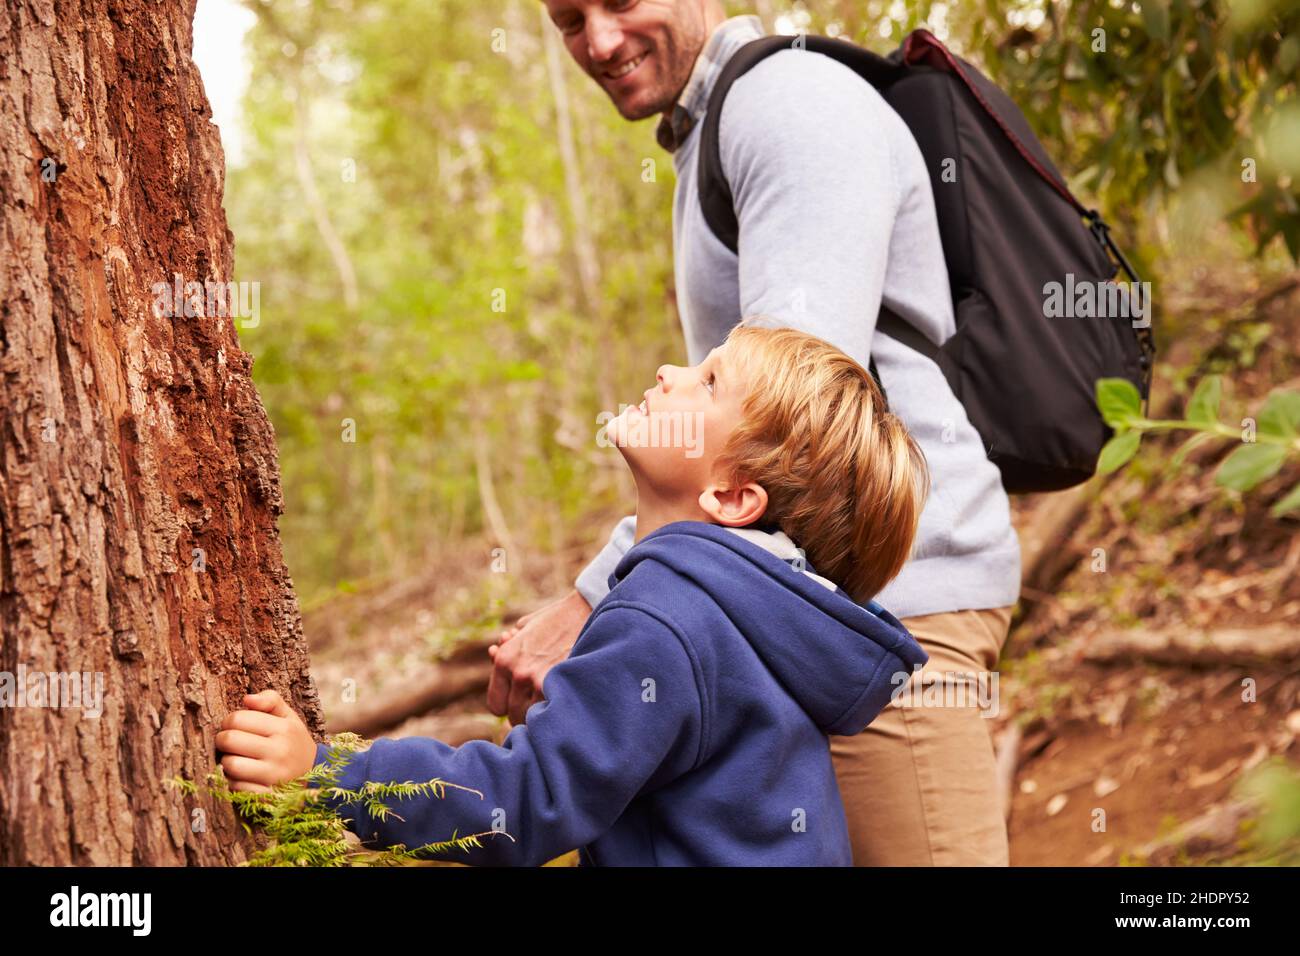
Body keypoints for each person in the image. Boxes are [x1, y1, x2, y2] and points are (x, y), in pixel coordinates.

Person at [494, 1, 1023, 865]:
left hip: (898, 612)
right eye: (568, 18)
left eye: (622, 1)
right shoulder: (714, 129)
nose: (598, 40)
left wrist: (594, 596)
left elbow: (792, 422)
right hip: (818, 616)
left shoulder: (790, 103)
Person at [216, 324, 930, 865]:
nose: (669, 371)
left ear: (734, 496)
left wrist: (328, 773)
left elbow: (524, 802)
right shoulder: (750, 616)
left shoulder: (671, 615)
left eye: (709, 383)